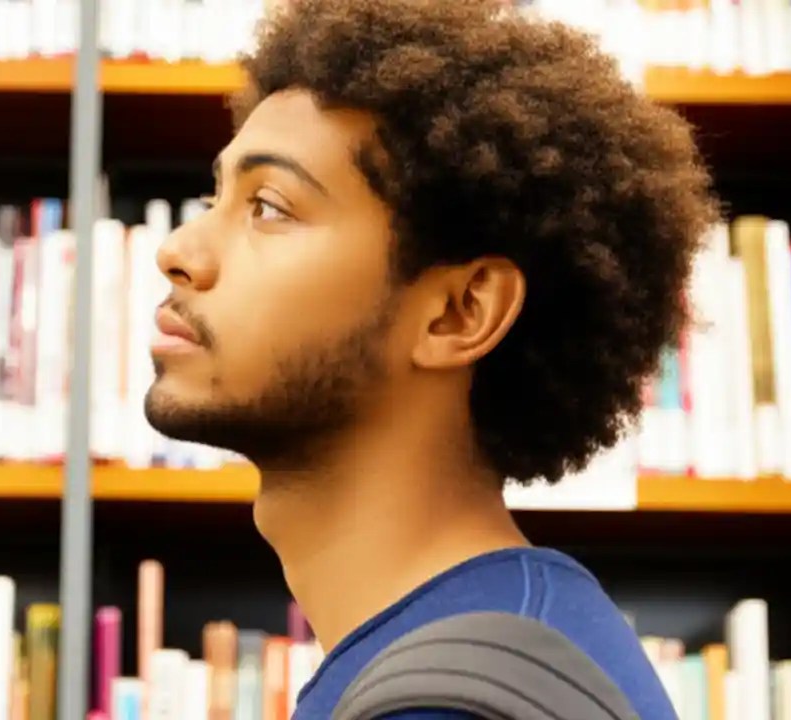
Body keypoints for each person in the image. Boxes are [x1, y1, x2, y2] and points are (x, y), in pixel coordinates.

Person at [143, 0, 717, 717]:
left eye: (270, 207)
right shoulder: (488, 643)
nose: (178, 252)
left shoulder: (455, 705)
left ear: (460, 313)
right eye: (215, 196)